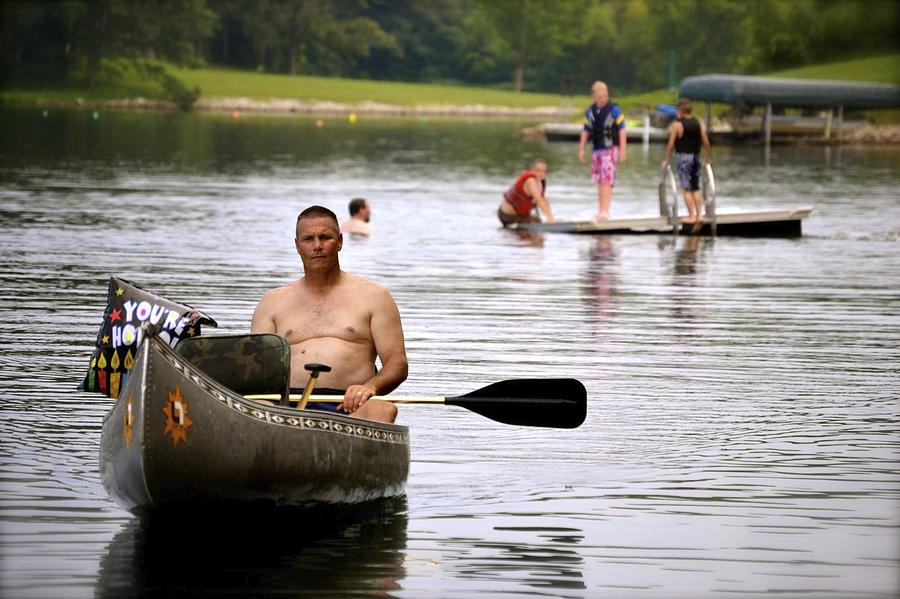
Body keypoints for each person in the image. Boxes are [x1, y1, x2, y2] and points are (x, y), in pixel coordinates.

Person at [251, 205, 408, 423]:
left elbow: (397, 364)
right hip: (285, 406)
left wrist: (369, 388)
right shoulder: (272, 302)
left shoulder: (375, 296)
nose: (317, 246)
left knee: (383, 410)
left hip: (351, 404)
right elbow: (258, 369)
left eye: (325, 237)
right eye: (308, 239)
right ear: (297, 246)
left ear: (340, 242)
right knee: (256, 406)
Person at [578, 81, 628, 221]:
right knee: (600, 181)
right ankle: (600, 211)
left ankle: (605, 211)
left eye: (605, 96)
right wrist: (581, 149)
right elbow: (586, 130)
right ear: (593, 97)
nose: (603, 99)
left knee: (607, 180)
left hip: (611, 149)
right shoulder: (590, 112)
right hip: (597, 150)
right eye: (599, 97)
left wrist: (623, 149)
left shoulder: (614, 109)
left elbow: (622, 129)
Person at [662, 99, 712, 233]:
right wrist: (708, 157)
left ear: (680, 112)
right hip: (696, 158)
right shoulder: (699, 123)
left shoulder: (677, 125)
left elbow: (671, 145)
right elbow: (706, 142)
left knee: (686, 188)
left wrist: (666, 160)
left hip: (684, 158)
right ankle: (699, 215)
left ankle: (691, 216)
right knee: (695, 188)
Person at [497, 158, 559, 227]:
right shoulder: (530, 180)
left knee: (537, 219)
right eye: (538, 170)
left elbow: (541, 199)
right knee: (535, 231)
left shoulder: (538, 182)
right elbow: (539, 200)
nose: (542, 174)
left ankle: (549, 220)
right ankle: (550, 220)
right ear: (531, 170)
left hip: (519, 216)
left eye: (544, 171)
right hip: (507, 216)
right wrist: (551, 219)